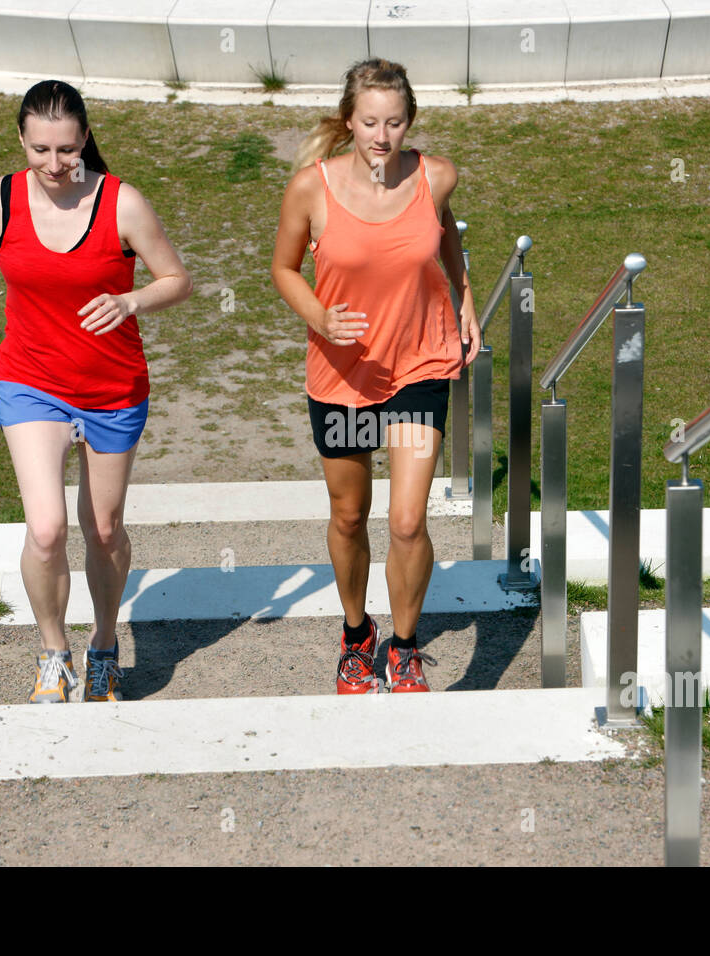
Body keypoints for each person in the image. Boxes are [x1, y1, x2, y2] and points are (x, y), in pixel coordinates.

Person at [0, 80, 192, 703]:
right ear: (22, 140)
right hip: (30, 379)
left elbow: (177, 279)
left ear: (85, 137)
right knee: (46, 528)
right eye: (40, 150)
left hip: (112, 386)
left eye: (66, 149)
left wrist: (131, 298)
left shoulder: (122, 204)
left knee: (106, 530)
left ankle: (106, 644)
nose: (54, 165)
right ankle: (53, 651)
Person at [271, 58, 481, 694]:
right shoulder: (312, 187)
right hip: (341, 374)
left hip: (419, 363)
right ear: (349, 122)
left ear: (409, 121)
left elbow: (443, 238)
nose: (382, 136)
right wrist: (318, 315)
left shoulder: (435, 177)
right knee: (349, 515)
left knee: (409, 520)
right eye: (369, 122)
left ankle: (406, 646)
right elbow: (283, 268)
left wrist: (464, 297)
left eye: (394, 122)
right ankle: (358, 634)